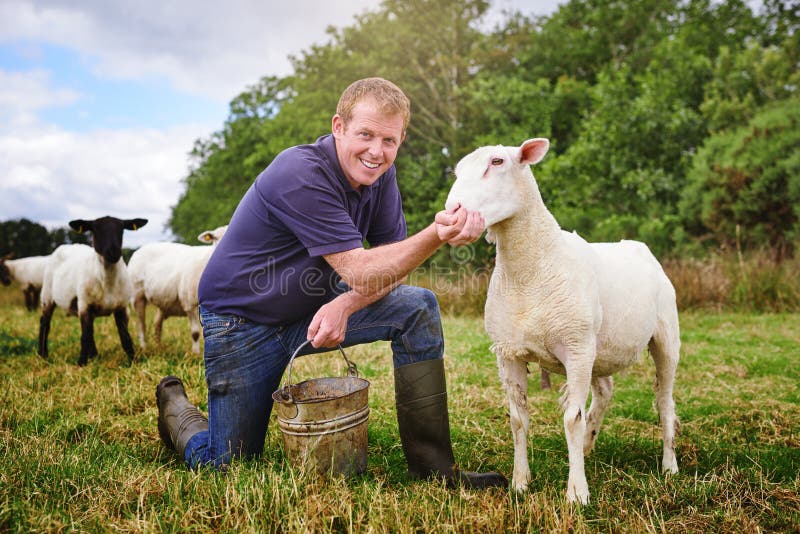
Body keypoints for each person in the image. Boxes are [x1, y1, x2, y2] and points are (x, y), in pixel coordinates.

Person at [156, 77, 507, 489]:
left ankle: (434, 472)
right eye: (366, 134)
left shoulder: (380, 176)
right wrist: (437, 233)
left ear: (402, 140)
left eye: (390, 141)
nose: (377, 151)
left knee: (417, 306)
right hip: (240, 322)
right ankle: (177, 410)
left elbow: (393, 269)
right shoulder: (299, 171)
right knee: (228, 469)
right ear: (338, 126)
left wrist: (345, 305)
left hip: (311, 305)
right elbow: (360, 270)